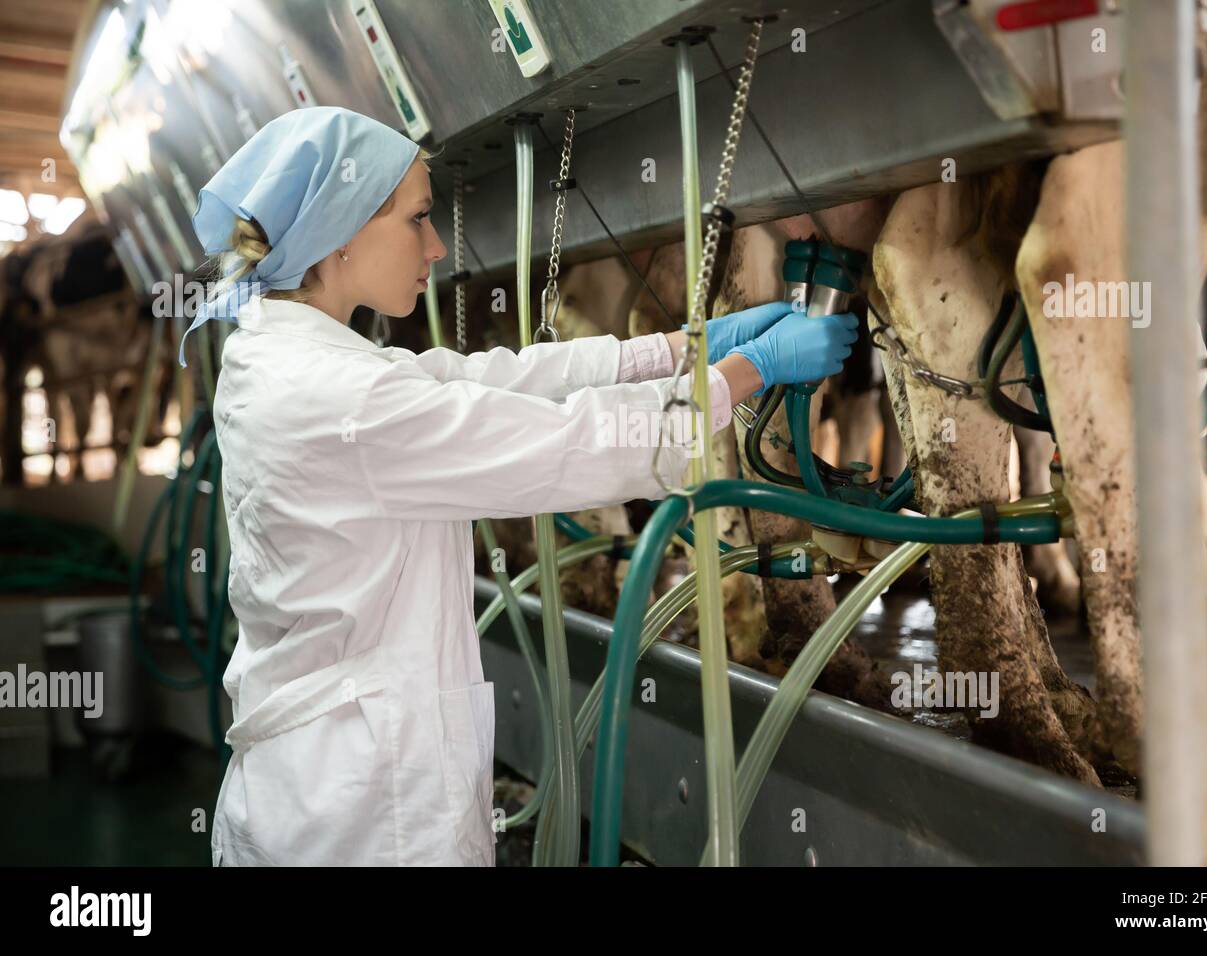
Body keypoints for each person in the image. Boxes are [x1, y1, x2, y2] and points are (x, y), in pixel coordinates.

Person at [186, 106, 858, 866]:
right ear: (340, 233)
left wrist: (674, 351)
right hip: (362, 817)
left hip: (326, 781)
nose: (437, 245)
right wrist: (745, 375)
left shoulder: (288, 360)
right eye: (417, 219)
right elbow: (560, 447)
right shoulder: (340, 397)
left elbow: (479, 382)